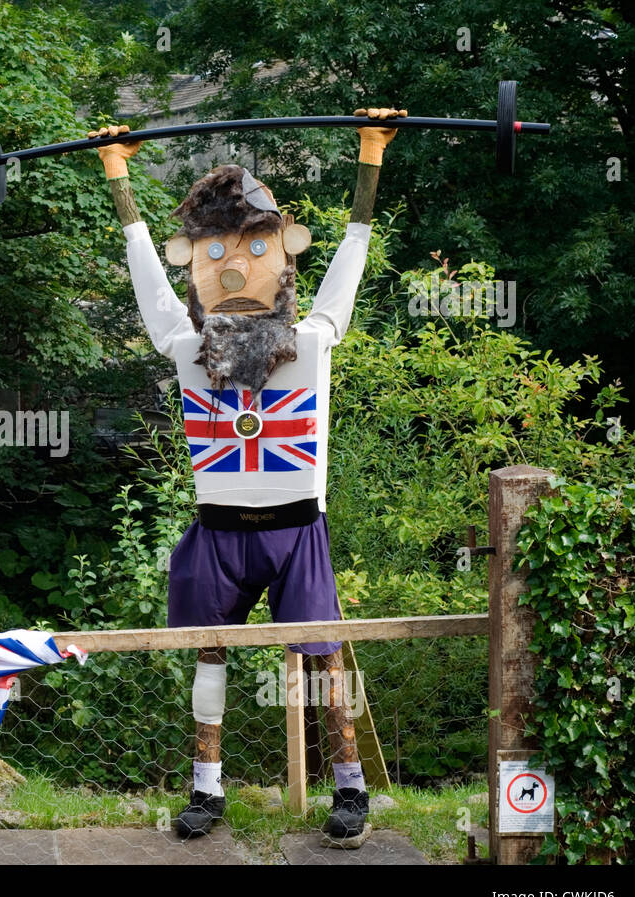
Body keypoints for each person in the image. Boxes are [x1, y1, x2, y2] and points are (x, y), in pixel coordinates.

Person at [89, 107, 402, 845]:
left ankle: (350, 789)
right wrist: (117, 175)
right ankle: (208, 788)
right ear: (195, 262)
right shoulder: (189, 350)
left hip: (297, 531)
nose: (232, 267)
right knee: (209, 649)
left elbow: (347, 271)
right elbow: (149, 288)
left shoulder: (312, 344)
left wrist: (369, 157)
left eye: (254, 247)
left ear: (283, 254)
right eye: (214, 253)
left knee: (322, 654)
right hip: (219, 533)